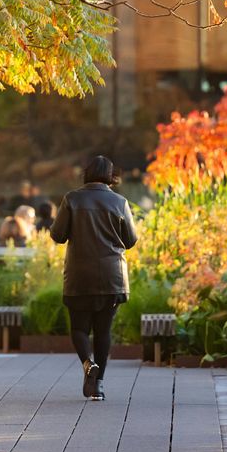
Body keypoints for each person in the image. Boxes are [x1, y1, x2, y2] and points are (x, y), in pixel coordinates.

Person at [50, 155, 138, 402]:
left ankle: (88, 363)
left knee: (79, 328)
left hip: (79, 275)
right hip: (112, 276)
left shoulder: (72, 199)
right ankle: (97, 387)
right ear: (111, 176)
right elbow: (130, 240)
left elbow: (58, 235)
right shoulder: (120, 202)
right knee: (103, 331)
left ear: (86, 173)